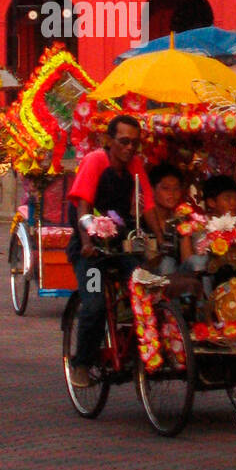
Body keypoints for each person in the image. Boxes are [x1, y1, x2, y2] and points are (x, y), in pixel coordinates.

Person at [66, 115, 164, 387]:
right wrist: (87, 242)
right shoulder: (95, 161)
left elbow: (149, 207)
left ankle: (139, 349)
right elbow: (83, 207)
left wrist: (160, 237)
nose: (130, 148)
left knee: (144, 287)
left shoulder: (135, 166)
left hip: (121, 244)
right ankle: (82, 363)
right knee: (95, 303)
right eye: (124, 142)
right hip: (90, 246)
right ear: (109, 141)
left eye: (135, 143)